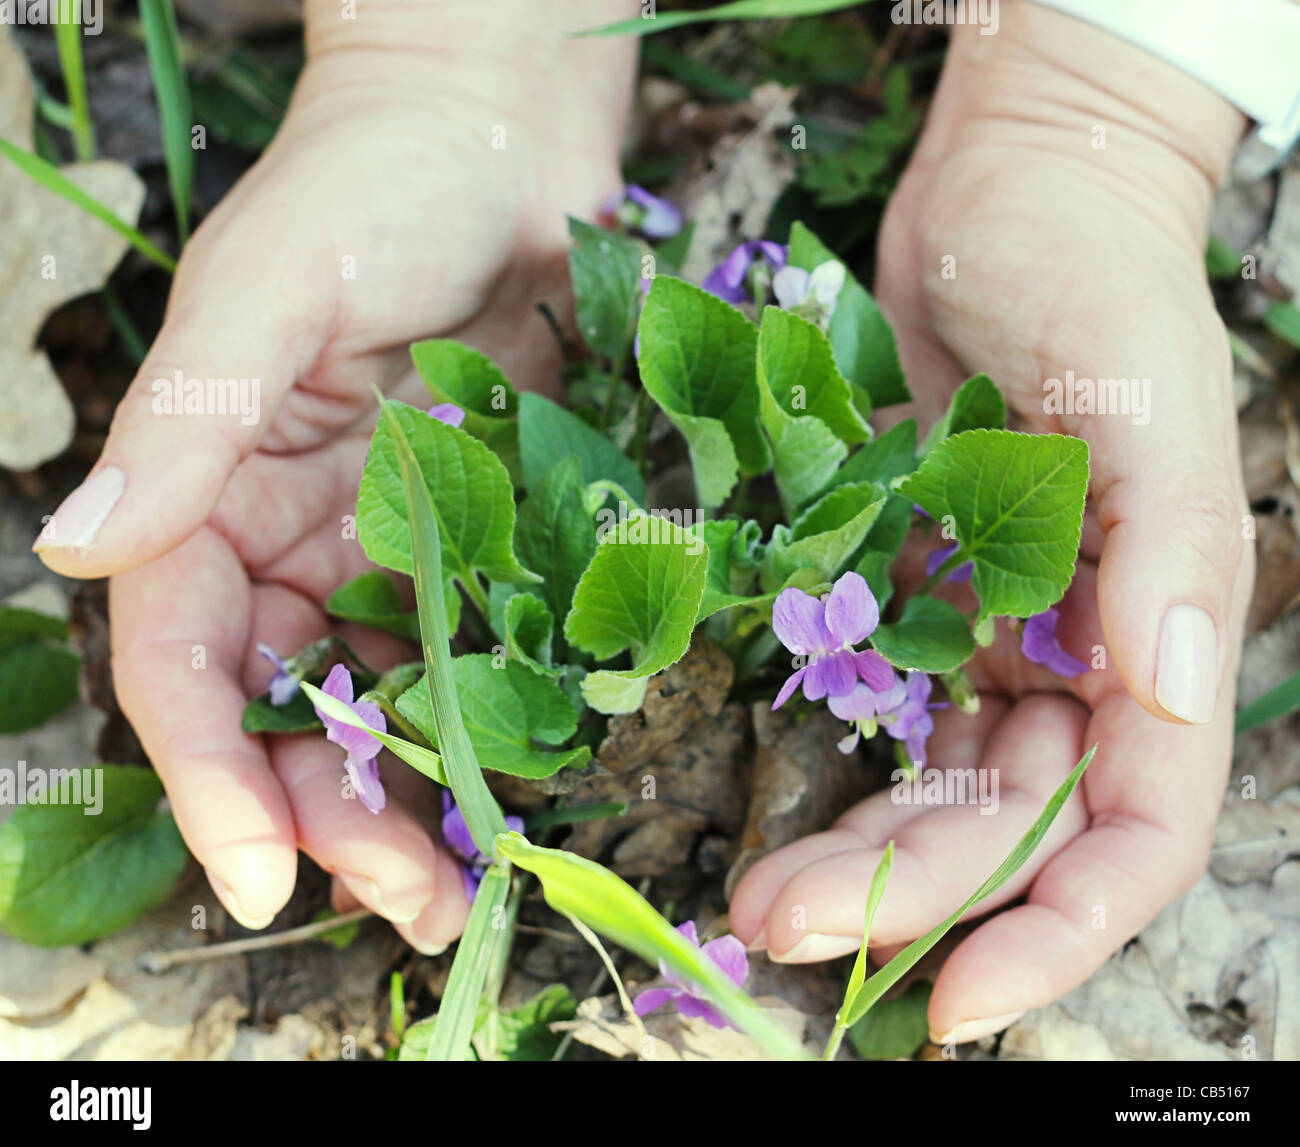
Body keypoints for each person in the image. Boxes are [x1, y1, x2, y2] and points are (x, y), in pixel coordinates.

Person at [34, 0, 1254, 1046]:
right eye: (852, 667)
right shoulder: (813, 628)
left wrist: (1101, 101)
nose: (847, 673)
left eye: (851, 668)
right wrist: (450, 57)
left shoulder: (838, 630)